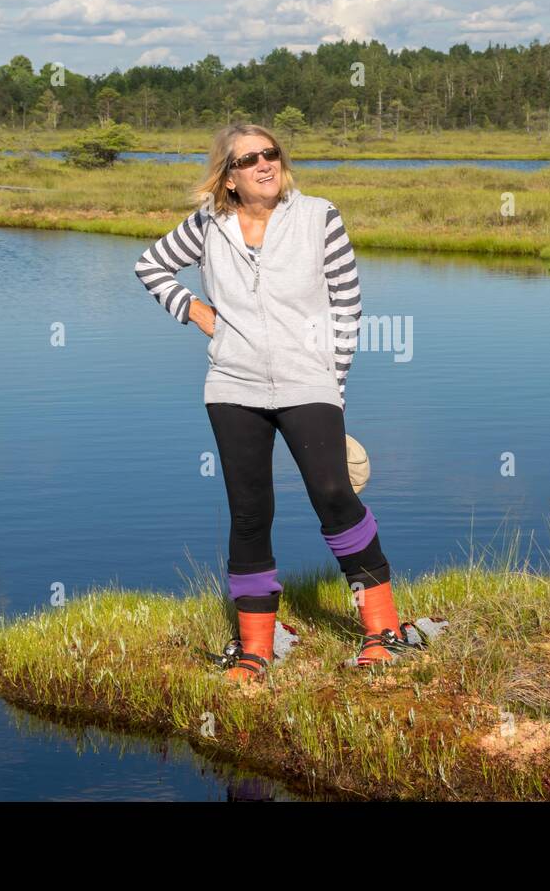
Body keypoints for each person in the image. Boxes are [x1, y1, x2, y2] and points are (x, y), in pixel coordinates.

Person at [134, 124, 408, 683]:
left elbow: (347, 307)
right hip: (233, 385)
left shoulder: (317, 216)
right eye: (249, 159)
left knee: (333, 495)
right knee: (251, 513)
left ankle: (383, 629)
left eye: (272, 154)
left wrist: (334, 386)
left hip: (309, 381)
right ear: (229, 178)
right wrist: (197, 311)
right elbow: (150, 266)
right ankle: (256, 648)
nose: (265, 164)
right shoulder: (209, 225)